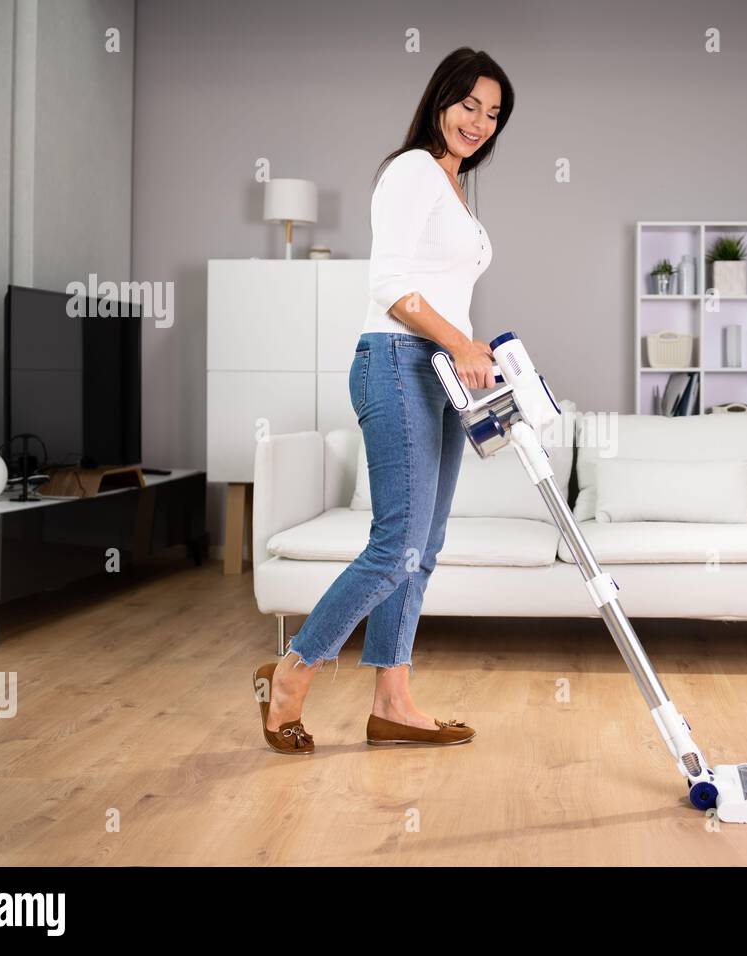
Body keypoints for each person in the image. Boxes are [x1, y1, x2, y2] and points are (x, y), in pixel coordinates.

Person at [253, 47, 514, 753]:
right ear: (440, 100)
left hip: (441, 372)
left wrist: (468, 349)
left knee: (423, 549)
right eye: (469, 105)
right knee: (396, 542)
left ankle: (393, 702)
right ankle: (292, 672)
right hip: (396, 361)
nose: (479, 122)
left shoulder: (455, 188)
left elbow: (438, 287)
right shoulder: (412, 171)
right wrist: (458, 341)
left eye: (492, 114)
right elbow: (389, 284)